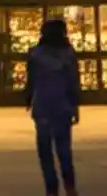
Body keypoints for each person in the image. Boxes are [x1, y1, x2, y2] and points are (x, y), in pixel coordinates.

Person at [24, 19, 81, 196]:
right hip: (63, 105)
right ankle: (70, 186)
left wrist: (28, 100)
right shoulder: (69, 54)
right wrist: (75, 105)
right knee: (64, 150)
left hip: (42, 105)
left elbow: (30, 81)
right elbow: (73, 83)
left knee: (45, 151)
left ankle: (51, 187)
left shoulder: (35, 54)